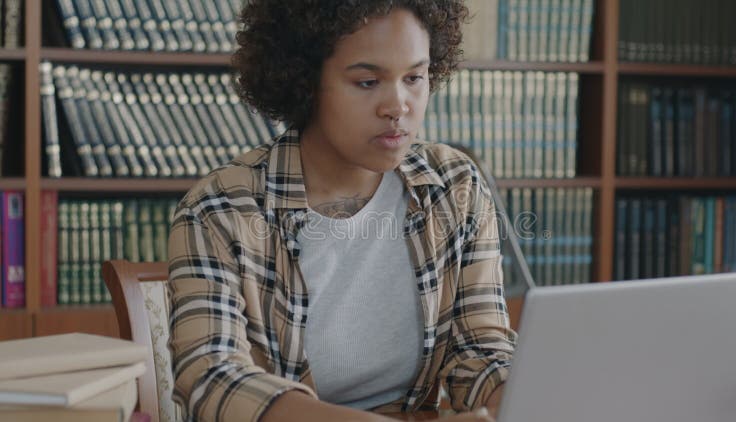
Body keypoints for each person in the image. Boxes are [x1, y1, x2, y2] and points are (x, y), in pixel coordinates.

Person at [167, 1, 516, 421]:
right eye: (368, 82)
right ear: (306, 81)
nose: (398, 105)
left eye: (414, 78)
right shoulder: (220, 209)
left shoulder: (453, 187)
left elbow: (480, 351)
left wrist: (514, 398)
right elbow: (213, 380)